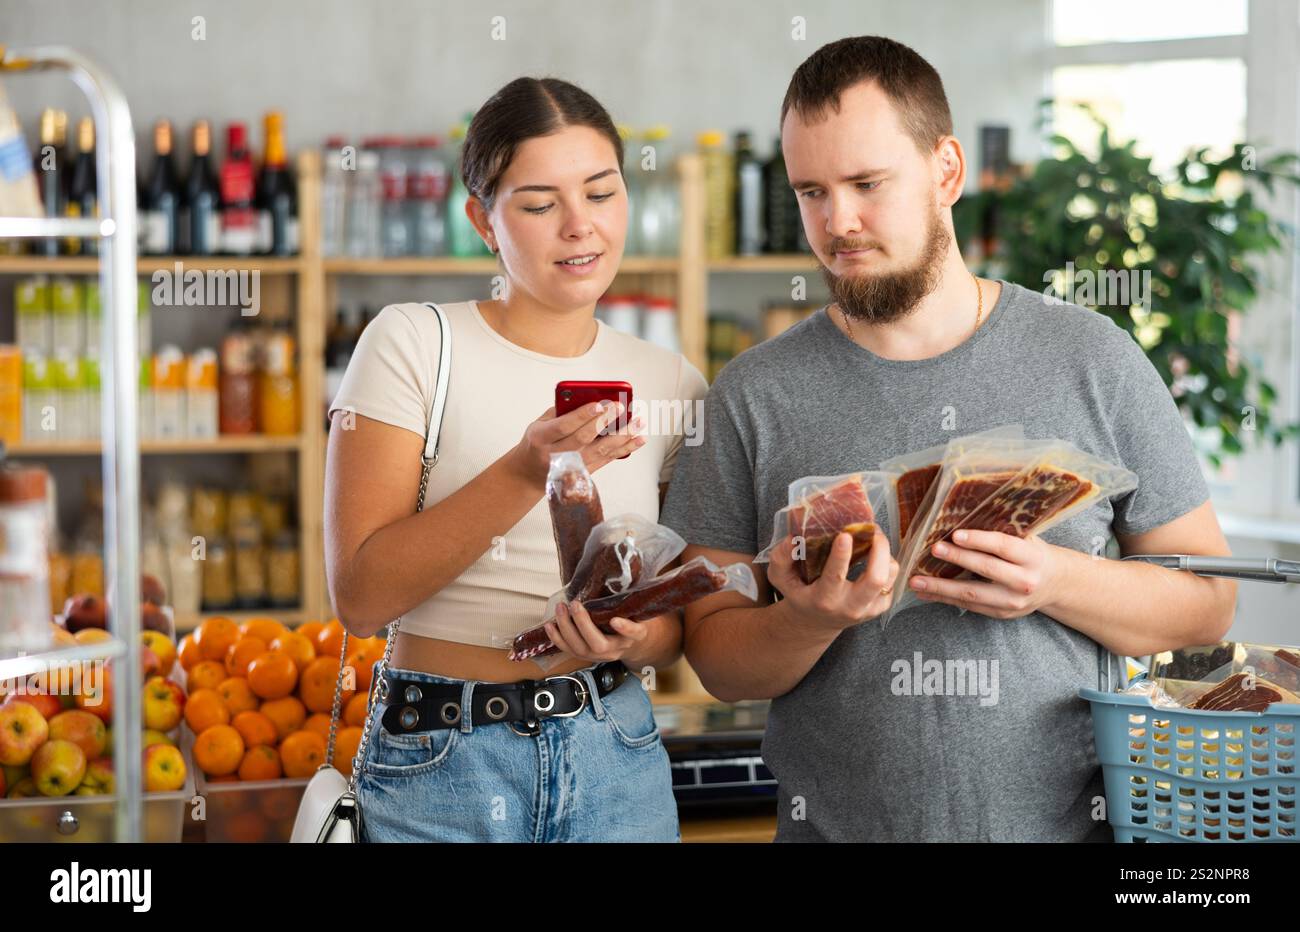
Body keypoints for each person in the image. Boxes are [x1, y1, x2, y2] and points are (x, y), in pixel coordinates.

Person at [658, 35, 1238, 842]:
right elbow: (714, 657)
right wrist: (813, 618)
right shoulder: (751, 394)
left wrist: (1056, 581)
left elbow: (1208, 604)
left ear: (947, 172)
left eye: (867, 183)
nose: (838, 222)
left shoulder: (1093, 358)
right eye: (811, 191)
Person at [325, 77, 707, 842]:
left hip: (616, 751)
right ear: (483, 221)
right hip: (440, 757)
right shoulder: (412, 343)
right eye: (539, 205)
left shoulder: (674, 382)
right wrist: (524, 472)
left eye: (601, 193)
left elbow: (678, 629)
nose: (580, 227)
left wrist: (633, 635)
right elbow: (361, 598)